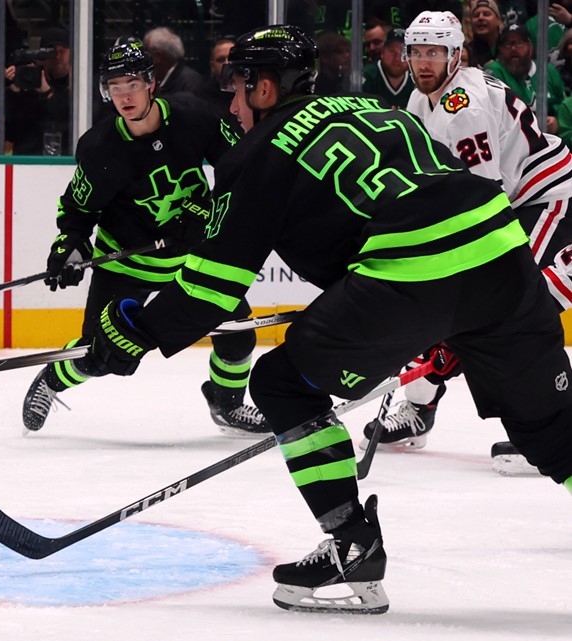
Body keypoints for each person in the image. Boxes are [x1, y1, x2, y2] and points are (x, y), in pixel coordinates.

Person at [72, 24, 572, 614]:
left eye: (238, 89)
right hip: (501, 252)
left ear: (264, 89)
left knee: (283, 383)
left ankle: (352, 545)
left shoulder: (259, 152)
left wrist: (130, 335)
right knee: (552, 430)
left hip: (410, 271)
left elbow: (211, 289)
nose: (231, 104)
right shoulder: (376, 109)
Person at [20, 40, 268, 437]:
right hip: (125, 261)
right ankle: (53, 378)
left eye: (131, 84)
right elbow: (78, 210)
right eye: (114, 87)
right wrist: (69, 246)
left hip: (191, 257)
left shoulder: (195, 116)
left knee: (237, 333)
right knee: (101, 356)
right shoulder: (100, 147)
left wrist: (204, 215)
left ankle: (227, 404)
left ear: (151, 83)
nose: (124, 96)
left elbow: (242, 169)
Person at [362, 11, 572, 475]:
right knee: (463, 302)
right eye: (416, 51)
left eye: (434, 51)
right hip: (514, 204)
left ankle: (547, 425)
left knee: (523, 303)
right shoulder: (424, 99)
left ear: (456, 54)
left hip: (547, 199)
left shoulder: (464, 106)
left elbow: (483, 203)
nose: (422, 62)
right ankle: (420, 407)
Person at [5, 26, 73, 155]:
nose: (57, 56)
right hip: (29, 159)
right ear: (42, 56)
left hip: (66, 160)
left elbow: (70, 120)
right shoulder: (28, 82)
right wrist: (13, 92)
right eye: (52, 52)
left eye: (62, 51)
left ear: (71, 53)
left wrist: (47, 93)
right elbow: (10, 133)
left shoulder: (80, 87)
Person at [485, 23, 565, 132]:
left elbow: (563, 106)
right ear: (500, 50)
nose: (513, 48)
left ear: (530, 47)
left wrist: (557, 121)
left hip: (549, 140)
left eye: (519, 43)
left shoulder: (548, 70)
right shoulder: (494, 71)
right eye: (507, 44)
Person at [142, 26, 204, 98]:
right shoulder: (158, 79)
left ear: (157, 56)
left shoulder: (191, 83)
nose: (143, 57)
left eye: (146, 52)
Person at [361, 27, 413, 107]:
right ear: (382, 52)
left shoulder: (416, 81)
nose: (397, 58)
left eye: (403, 53)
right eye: (392, 51)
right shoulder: (367, 76)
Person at [193, 36, 238, 123]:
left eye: (231, 58)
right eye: (221, 60)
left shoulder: (250, 90)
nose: (227, 63)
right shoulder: (201, 96)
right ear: (212, 65)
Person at [465, 0, 502, 67]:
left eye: (486, 14)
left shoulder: (509, 47)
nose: (480, 18)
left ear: (498, 20)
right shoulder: (467, 52)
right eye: (476, 15)